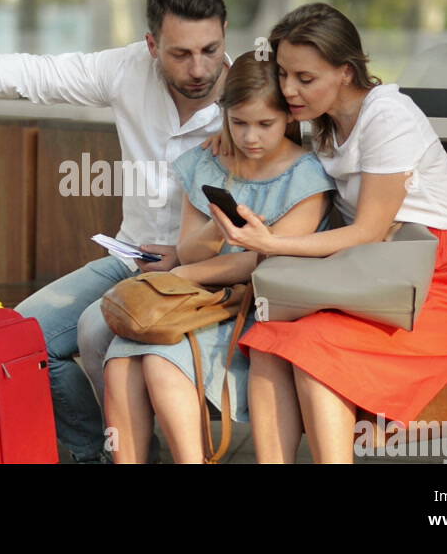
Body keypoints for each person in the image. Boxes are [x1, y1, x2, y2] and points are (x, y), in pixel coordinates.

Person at [0, 0, 232, 463]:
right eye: (181, 53)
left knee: (95, 327)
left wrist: (186, 254)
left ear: (225, 34)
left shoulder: (248, 104)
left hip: (200, 272)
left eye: (210, 49)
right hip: (129, 259)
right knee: (16, 338)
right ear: (152, 44)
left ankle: (126, 449)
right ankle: (101, 450)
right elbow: (35, 74)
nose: (199, 68)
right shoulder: (126, 69)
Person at [209, 3, 447, 464]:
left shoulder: (389, 115)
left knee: (314, 350)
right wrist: (225, 134)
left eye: (305, 78)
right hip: (374, 276)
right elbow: (262, 125)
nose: (289, 89)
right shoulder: (322, 121)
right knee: (267, 341)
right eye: (284, 73)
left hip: (437, 282)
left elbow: (367, 231)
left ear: (346, 72)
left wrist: (270, 244)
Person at [101, 52, 336, 463]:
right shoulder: (206, 162)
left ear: (289, 119)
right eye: (239, 122)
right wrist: (218, 223)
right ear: (223, 115)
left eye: (265, 124)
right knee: (119, 363)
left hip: (250, 309)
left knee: (158, 361)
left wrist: (184, 275)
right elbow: (187, 247)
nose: (250, 137)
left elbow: (265, 263)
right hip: (196, 302)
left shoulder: (307, 176)